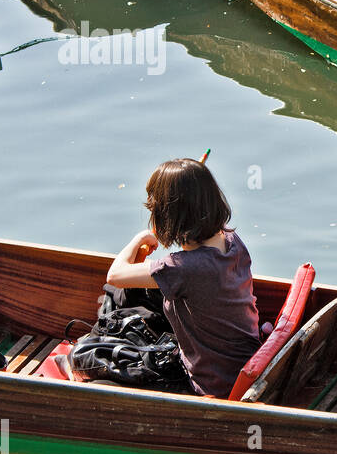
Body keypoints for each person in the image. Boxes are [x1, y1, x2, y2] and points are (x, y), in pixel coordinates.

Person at [106, 157, 260, 399]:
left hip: (212, 383)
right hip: (236, 362)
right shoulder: (231, 241)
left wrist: (139, 238)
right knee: (134, 295)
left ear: (170, 215)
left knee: (91, 353)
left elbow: (114, 275)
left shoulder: (185, 268)